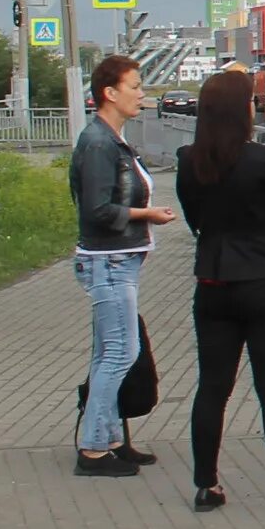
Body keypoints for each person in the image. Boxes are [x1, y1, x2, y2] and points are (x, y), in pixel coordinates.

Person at [173, 69, 265, 514]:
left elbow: (194, 219)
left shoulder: (188, 159)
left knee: (212, 387)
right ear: (242, 111)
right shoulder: (264, 160)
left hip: (212, 283)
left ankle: (206, 486)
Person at [69, 54, 172, 476]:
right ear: (110, 94)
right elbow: (96, 209)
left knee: (109, 353)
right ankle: (93, 447)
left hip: (117, 259)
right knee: (121, 352)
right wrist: (145, 216)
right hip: (107, 261)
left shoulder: (110, 139)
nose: (141, 94)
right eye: (135, 86)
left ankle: (111, 437)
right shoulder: (98, 143)